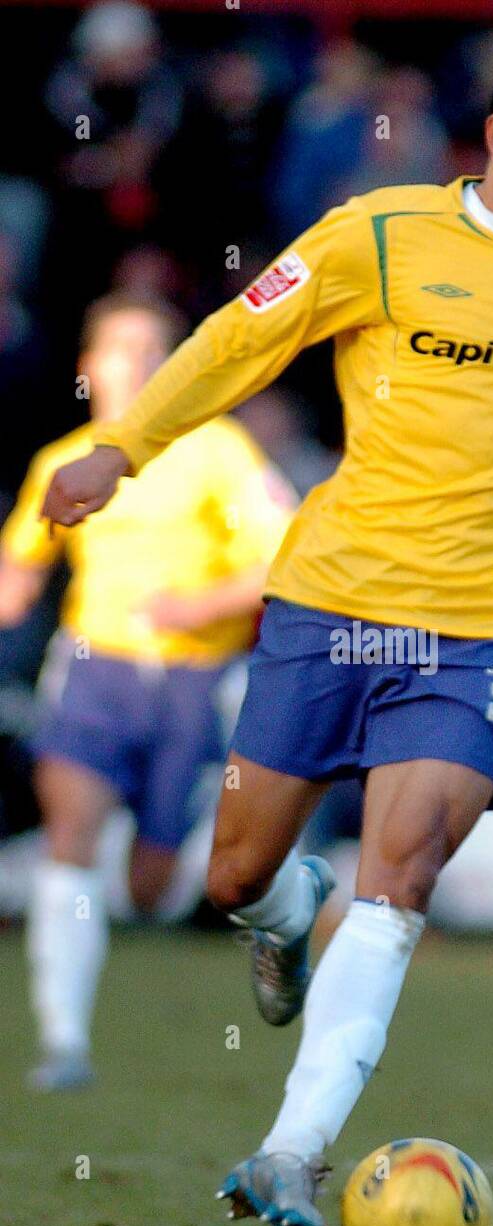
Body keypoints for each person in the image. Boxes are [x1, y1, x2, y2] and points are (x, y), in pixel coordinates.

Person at [41, 58, 493, 1226]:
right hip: (330, 605)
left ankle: (293, 1146)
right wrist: (123, 448)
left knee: (400, 870)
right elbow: (235, 345)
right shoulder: (379, 236)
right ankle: (283, 908)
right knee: (236, 873)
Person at [0, 292, 295, 1091]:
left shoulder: (216, 452)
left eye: (149, 350)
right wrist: (15, 585)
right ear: (88, 366)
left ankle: (270, 913)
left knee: (149, 885)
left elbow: (283, 558)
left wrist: (197, 606)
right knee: (71, 839)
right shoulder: (64, 460)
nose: (133, 365)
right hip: (96, 672)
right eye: (117, 348)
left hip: (192, 687)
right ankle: (63, 1043)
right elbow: (22, 557)